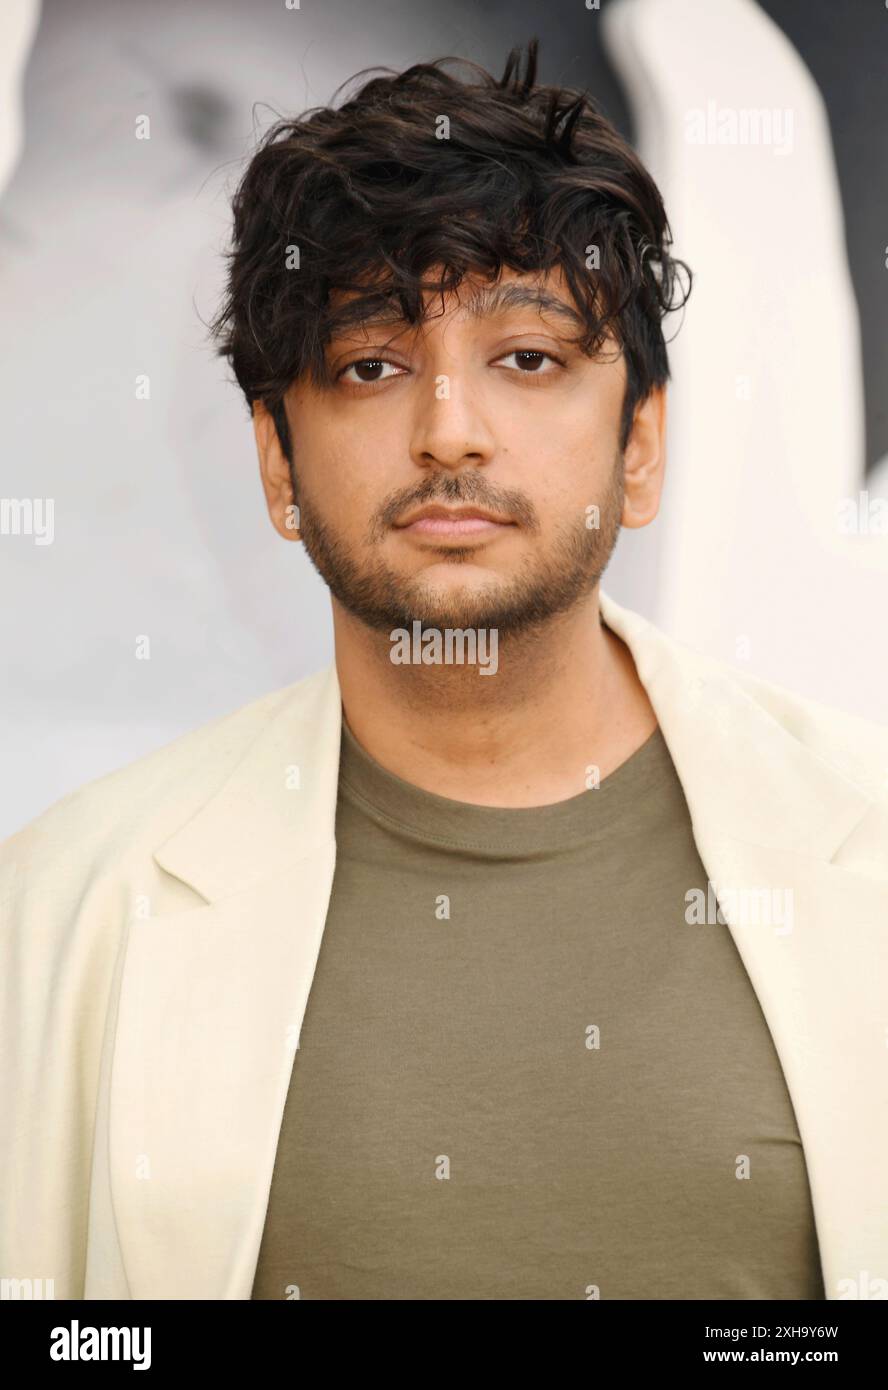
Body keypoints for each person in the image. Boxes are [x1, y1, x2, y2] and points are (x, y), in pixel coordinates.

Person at [2, 40, 887, 1303]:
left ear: (641, 444)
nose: (449, 432)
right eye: (372, 365)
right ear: (276, 461)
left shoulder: (869, 857)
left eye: (528, 358)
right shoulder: (60, 915)